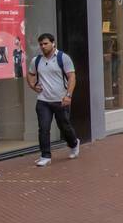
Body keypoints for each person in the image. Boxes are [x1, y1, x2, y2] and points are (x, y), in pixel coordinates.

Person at [26, 32, 81, 167]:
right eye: (41, 44)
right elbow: (30, 74)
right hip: (43, 101)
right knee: (43, 128)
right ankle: (45, 156)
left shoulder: (63, 58)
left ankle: (74, 143)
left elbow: (72, 77)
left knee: (64, 126)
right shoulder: (36, 60)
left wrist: (68, 96)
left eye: (46, 43)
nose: (43, 46)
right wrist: (33, 86)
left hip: (61, 100)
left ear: (53, 43)